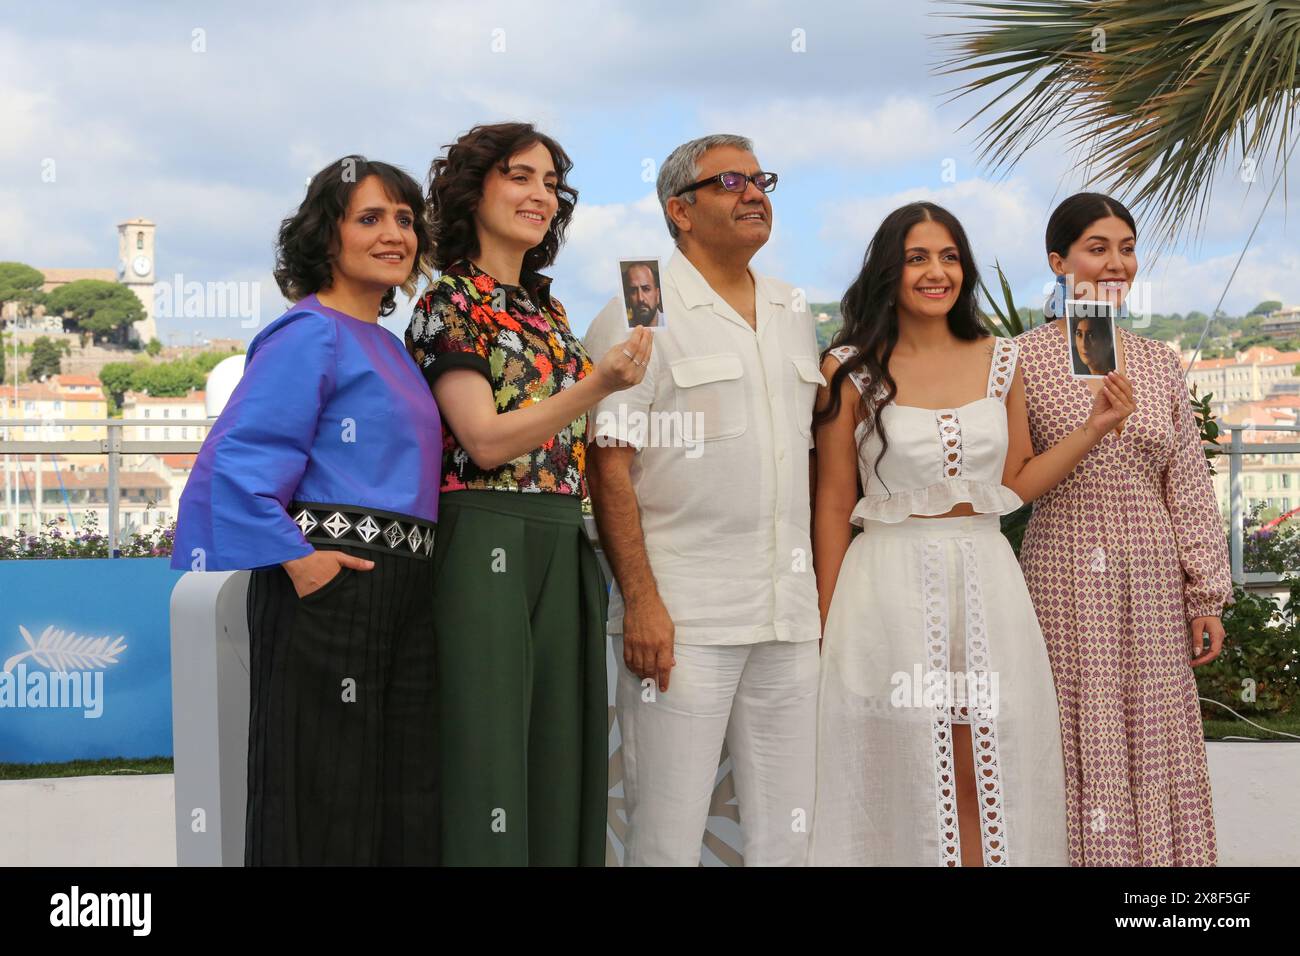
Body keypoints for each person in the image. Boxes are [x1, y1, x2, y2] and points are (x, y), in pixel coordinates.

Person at [809, 201, 1135, 866]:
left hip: (987, 584)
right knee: (895, 765)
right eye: (918, 257)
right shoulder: (847, 368)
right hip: (884, 589)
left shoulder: (1002, 359)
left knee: (987, 766)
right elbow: (834, 500)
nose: (937, 271)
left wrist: (1094, 428)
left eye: (950, 256)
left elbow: (1012, 481)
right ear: (889, 271)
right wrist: (824, 617)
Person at [172, 156, 442, 865]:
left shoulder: (389, 345)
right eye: (370, 218)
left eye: (406, 220)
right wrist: (301, 562)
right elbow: (236, 461)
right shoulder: (307, 332)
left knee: (401, 795)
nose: (395, 234)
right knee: (321, 792)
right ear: (328, 237)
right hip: (333, 588)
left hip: (405, 591)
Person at [406, 122, 650, 866]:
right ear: (472, 189)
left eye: (549, 182)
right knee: (488, 759)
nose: (539, 194)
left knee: (560, 758)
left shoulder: (551, 314)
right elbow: (482, 440)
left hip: (561, 540)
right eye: (519, 176)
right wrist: (598, 384)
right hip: (484, 538)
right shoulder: (447, 303)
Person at [584, 134, 821, 866]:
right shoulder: (642, 300)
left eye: (761, 180)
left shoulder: (793, 306)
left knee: (790, 835)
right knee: (665, 834)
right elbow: (608, 465)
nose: (754, 193)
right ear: (678, 211)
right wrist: (644, 603)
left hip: (789, 614)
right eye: (730, 182)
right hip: (682, 617)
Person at [1016, 192, 1232, 866]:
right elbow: (1011, 480)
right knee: (1077, 728)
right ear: (1058, 261)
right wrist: (1093, 427)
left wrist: (1205, 593)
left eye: (1127, 248)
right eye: (1097, 248)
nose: (1116, 263)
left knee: (1154, 731)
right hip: (1063, 566)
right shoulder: (1016, 359)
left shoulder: (1160, 362)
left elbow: (1189, 487)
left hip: (1151, 574)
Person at [624, 262, 665, 327]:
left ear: (657, 295)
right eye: (633, 291)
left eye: (646, 289)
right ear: (628, 298)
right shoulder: (622, 330)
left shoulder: (673, 323)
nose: (640, 298)